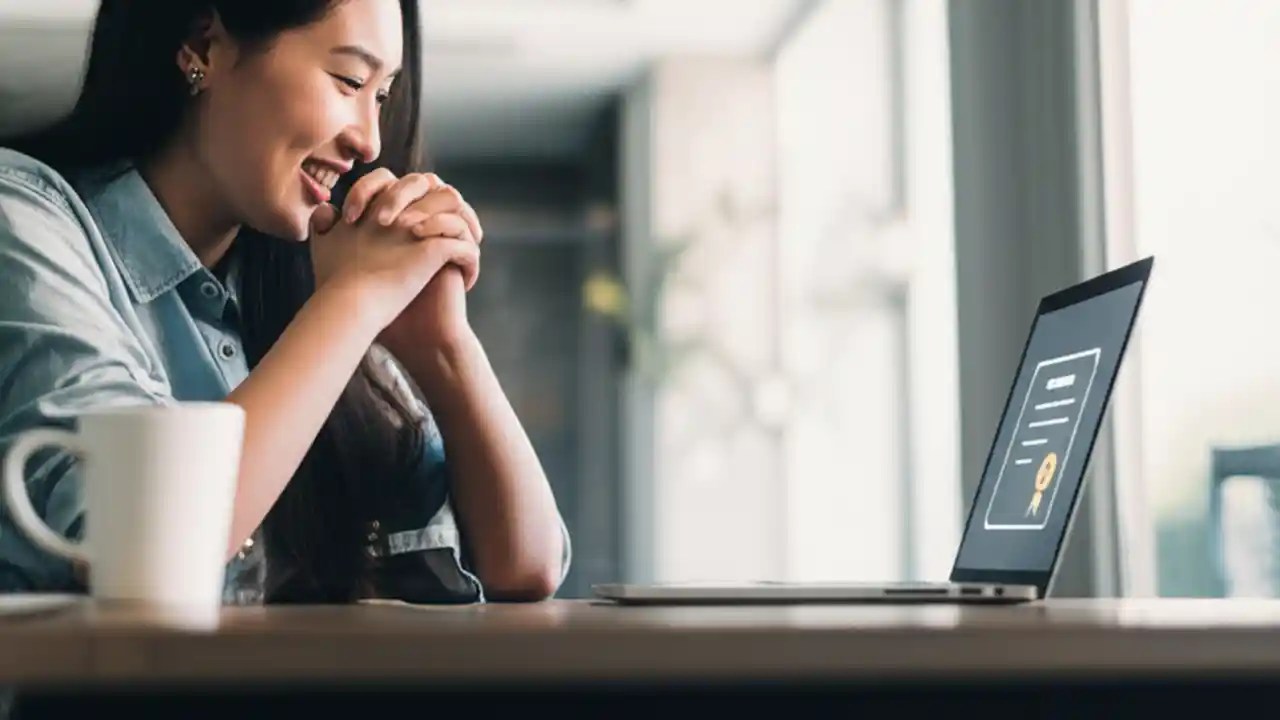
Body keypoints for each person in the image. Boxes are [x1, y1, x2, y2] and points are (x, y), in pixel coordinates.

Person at [0, 0, 570, 605]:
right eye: (349, 80)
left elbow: (527, 568)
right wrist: (355, 300)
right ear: (205, 45)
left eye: (382, 96)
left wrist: (443, 346)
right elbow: (132, 542)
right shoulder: (25, 219)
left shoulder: (314, 286)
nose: (370, 141)